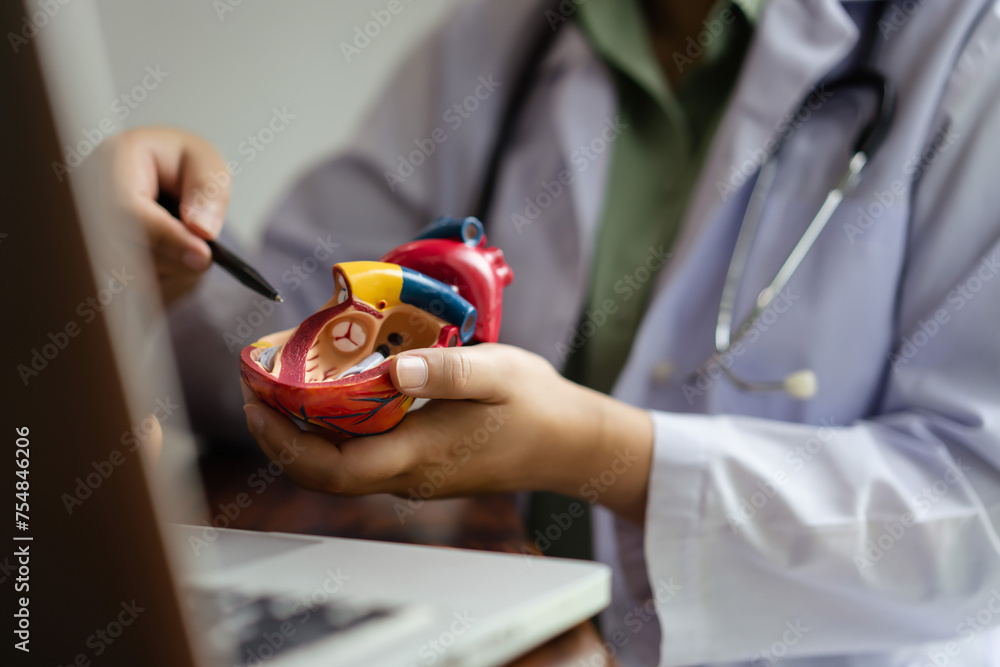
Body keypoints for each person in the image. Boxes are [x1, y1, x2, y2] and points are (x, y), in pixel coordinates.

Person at [101, 0, 1000, 664]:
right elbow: (299, 326)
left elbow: (978, 511)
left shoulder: (970, 46)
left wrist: (593, 450)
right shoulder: (504, 39)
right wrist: (163, 270)